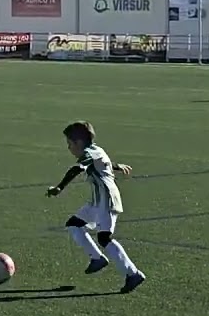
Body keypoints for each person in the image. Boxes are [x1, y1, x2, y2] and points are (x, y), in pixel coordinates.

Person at [46, 121, 146, 294]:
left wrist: (59, 187)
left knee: (104, 238)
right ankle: (97, 258)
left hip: (106, 200)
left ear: (78, 143)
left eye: (70, 144)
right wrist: (117, 166)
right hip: (97, 202)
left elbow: (77, 169)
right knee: (74, 224)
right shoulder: (96, 150)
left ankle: (133, 274)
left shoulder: (88, 153)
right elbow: (104, 162)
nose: (69, 148)